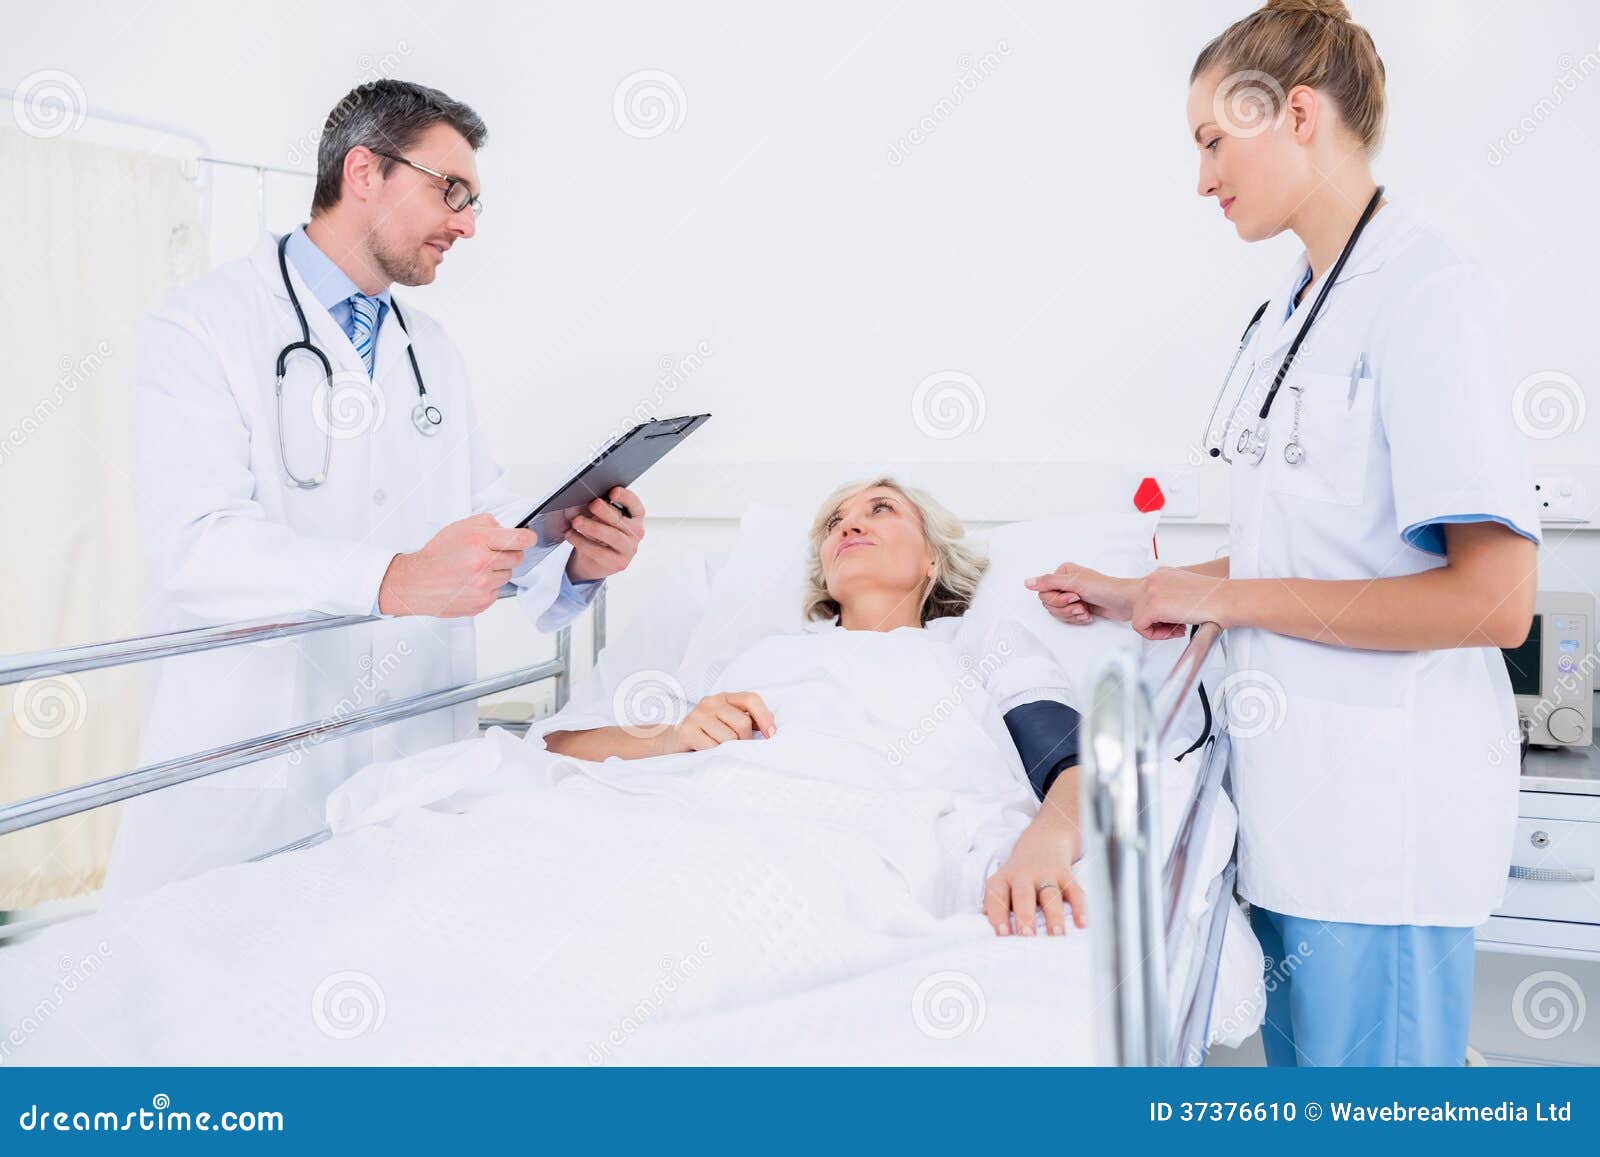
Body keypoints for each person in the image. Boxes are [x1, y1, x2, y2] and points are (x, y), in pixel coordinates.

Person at [1029, 0, 1539, 1066]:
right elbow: (1316, 554)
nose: (1201, 178)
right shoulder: (1290, 315)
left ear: (1295, 113)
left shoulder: (1425, 295)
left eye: (1213, 140)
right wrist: (1142, 593)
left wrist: (1216, 595)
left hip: (1380, 835)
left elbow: (1491, 602)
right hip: (1294, 821)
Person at [106, 80, 644, 899]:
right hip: (256, 777)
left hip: (408, 775)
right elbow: (197, 546)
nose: (466, 222)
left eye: (473, 202)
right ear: (364, 172)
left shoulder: (430, 348)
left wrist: (572, 556)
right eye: (450, 191)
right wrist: (392, 579)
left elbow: (483, 519)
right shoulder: (202, 327)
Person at [546, 478, 1091, 936]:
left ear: (932, 559)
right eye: (834, 522)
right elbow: (557, 748)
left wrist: (1045, 845)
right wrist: (674, 735)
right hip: (702, 818)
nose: (849, 526)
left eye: (881, 510)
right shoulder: (762, 653)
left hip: (868, 840)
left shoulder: (974, 643)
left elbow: (1077, 764)